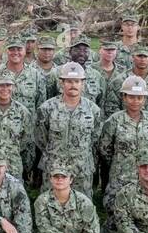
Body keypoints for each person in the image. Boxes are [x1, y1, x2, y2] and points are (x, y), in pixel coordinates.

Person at [96, 74, 148, 233]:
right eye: (131, 97)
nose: (135, 101)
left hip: (145, 178)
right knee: (115, 213)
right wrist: (119, 165)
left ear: (145, 99)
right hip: (121, 177)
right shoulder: (114, 120)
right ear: (124, 97)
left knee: (143, 214)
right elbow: (105, 149)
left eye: (140, 97)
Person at [35, 62, 102, 196]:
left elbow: (95, 137)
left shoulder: (93, 110)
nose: (73, 85)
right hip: (54, 167)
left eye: (77, 81)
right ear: (61, 83)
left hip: (82, 168)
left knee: (82, 206)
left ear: (83, 84)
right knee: (51, 205)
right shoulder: (47, 108)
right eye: (69, 81)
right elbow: (40, 138)